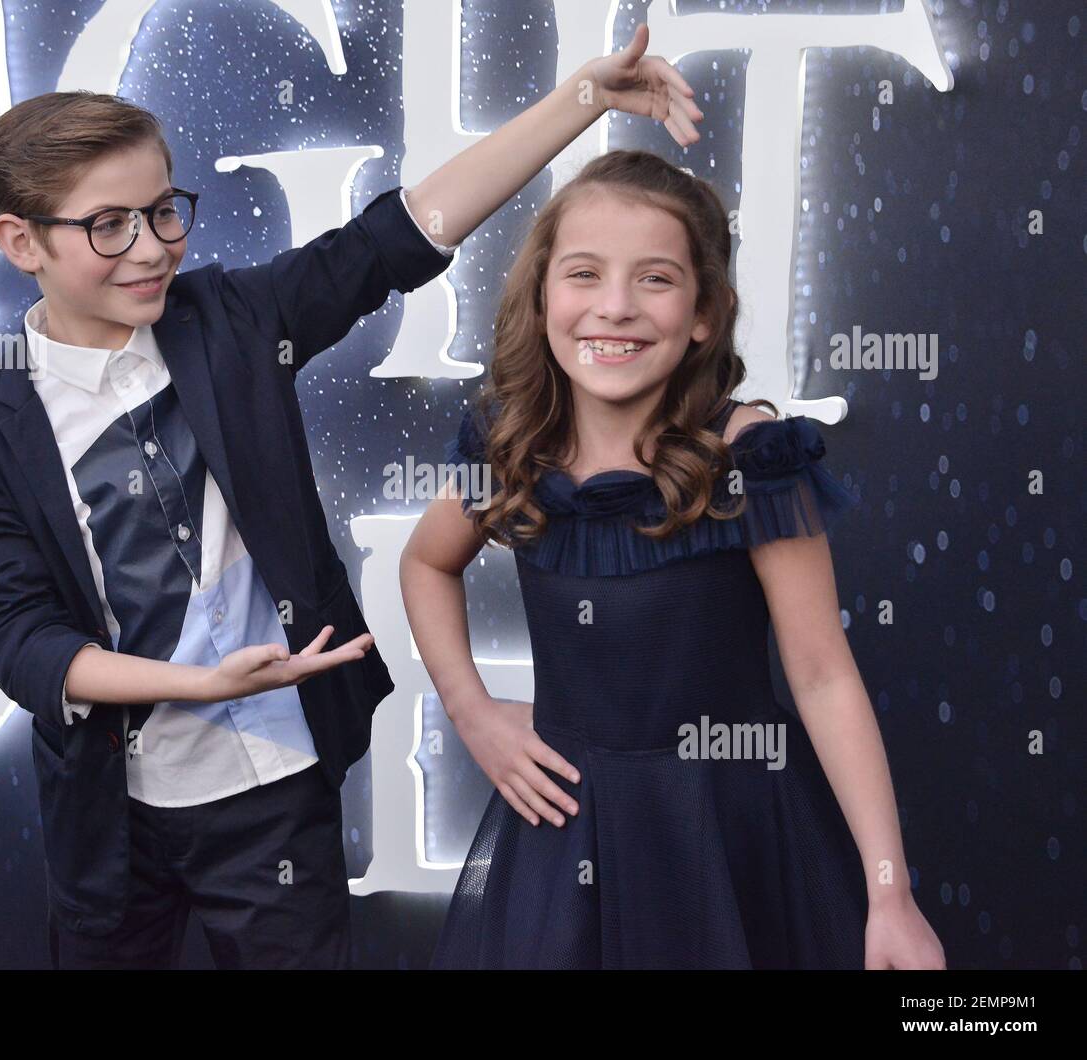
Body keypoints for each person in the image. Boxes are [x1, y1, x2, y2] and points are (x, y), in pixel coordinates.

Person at [0, 26, 704, 967]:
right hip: (108, 819)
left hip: (275, 791)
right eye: (108, 226)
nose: (151, 247)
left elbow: (404, 231)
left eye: (164, 210)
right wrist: (195, 685)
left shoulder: (233, 322)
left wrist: (584, 97)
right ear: (21, 241)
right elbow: (19, 637)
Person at [400, 148, 947, 969]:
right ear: (544, 294)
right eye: (584, 275)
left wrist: (889, 893)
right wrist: (471, 710)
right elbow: (424, 564)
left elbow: (822, 673)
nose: (614, 307)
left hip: (729, 826)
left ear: (703, 313)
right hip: (564, 829)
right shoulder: (511, 444)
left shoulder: (752, 459)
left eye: (654, 279)